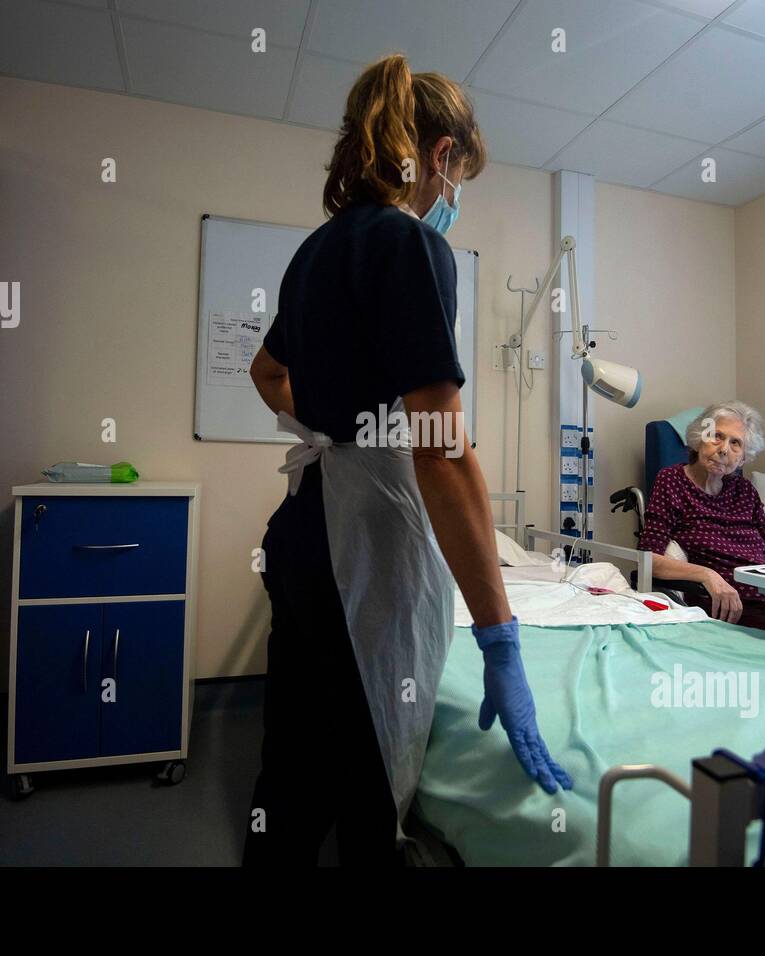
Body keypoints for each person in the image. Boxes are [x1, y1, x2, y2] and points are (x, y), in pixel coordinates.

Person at [242, 54, 571, 866]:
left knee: (290, 776)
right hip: (360, 549)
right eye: (460, 175)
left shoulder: (315, 251)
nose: (454, 199)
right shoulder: (410, 246)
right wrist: (500, 640)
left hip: (302, 531)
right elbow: (443, 451)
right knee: (368, 786)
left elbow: (265, 371)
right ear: (440, 155)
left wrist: (326, 426)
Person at [638, 401, 765, 636]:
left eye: (735, 443)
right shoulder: (672, 481)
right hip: (730, 605)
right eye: (717, 436)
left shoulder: (744, 489)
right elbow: (648, 559)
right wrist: (707, 575)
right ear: (699, 439)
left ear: (743, 458)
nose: (724, 449)